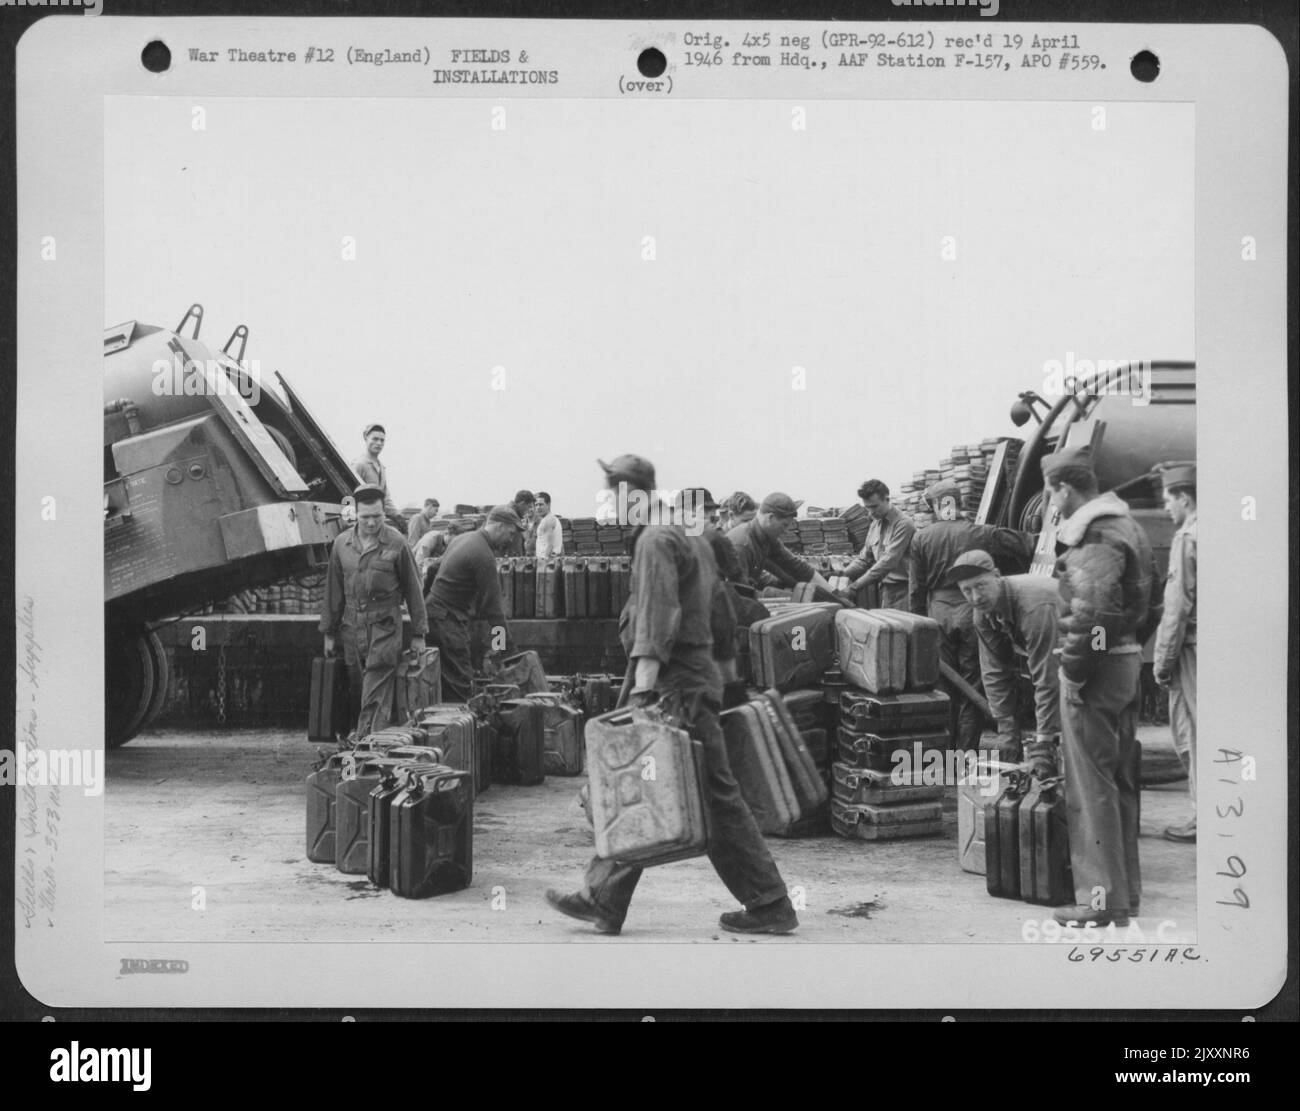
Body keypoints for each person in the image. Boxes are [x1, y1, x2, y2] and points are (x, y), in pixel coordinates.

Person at [547, 455, 797, 936]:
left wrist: (643, 688)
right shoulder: (690, 533)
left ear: (627, 493)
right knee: (700, 794)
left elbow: (657, 615)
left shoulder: (655, 539)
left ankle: (769, 904)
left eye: (611, 494)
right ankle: (765, 903)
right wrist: (722, 676)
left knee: (651, 787)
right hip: (699, 681)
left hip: (674, 686)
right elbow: (722, 606)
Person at [1042, 445, 1161, 928]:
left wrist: (1074, 672)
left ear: (1065, 488)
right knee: (1119, 780)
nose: (1053, 503)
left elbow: (1094, 616)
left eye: (1052, 493)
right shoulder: (1130, 527)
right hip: (1128, 662)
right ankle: (1124, 892)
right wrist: (1129, 649)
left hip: (1099, 669)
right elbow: (1149, 607)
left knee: (1090, 785)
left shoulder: (1093, 533)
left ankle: (1101, 899)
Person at [909, 479, 1034, 749]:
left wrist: (920, 625)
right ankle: (966, 754)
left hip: (937, 614)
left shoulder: (921, 537)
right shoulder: (979, 532)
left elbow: (916, 590)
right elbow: (1025, 544)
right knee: (973, 685)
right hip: (972, 610)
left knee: (943, 686)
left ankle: (943, 752)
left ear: (934, 506)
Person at [319, 484, 428, 739]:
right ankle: (374, 740)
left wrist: (419, 634)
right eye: (365, 517)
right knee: (360, 688)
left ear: (384, 514)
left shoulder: (397, 543)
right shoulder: (341, 544)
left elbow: (414, 589)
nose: (371, 523)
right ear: (355, 514)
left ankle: (365, 746)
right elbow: (333, 592)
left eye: (377, 517)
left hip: (385, 628)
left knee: (375, 689)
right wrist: (329, 632)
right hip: (352, 629)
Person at [948, 549, 1061, 769]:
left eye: (981, 586)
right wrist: (1006, 730)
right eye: (967, 590)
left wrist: (1044, 740)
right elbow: (995, 671)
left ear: (997, 576)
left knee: (1086, 731)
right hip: (1067, 653)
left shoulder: (1033, 605)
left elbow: (1047, 675)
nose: (975, 597)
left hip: (1101, 642)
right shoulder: (982, 611)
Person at [424, 504, 521, 704]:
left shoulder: (463, 539)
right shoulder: (483, 555)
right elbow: (493, 610)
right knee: (460, 686)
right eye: (510, 533)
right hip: (447, 622)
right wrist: (504, 649)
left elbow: (433, 568)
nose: (511, 539)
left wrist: (423, 606)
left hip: (434, 615)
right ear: (499, 526)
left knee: (443, 681)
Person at [1151, 462, 1198, 843]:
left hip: (1193, 651)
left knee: (1193, 734)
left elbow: (1177, 607)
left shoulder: (1187, 538)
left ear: (1184, 497)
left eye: (1169, 500)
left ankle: (1205, 818)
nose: (1167, 508)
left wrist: (1163, 663)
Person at [726, 493, 833, 593]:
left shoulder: (766, 537)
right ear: (770, 518)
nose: (786, 531)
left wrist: (834, 593)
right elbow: (737, 594)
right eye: (784, 525)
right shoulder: (742, 545)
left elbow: (796, 566)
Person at [842, 479, 915, 610]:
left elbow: (887, 562)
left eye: (874, 506)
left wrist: (854, 586)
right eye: (867, 507)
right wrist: (842, 574)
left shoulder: (904, 524)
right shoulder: (875, 524)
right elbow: (864, 559)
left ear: (887, 499)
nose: (870, 512)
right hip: (886, 590)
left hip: (904, 591)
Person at [351, 423, 405, 533]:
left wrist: (398, 516)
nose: (379, 443)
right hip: (362, 524)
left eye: (382, 440)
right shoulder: (359, 465)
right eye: (375, 439)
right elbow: (349, 496)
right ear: (366, 437)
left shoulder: (381, 467)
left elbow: (385, 498)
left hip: (376, 523)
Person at [505, 489, 536, 556]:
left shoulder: (509, 512)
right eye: (529, 507)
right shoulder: (512, 516)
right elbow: (515, 545)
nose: (528, 510)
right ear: (522, 504)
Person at [534, 491, 564, 559]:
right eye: (536, 505)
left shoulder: (548, 520)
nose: (538, 507)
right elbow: (561, 545)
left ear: (548, 504)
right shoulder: (554, 519)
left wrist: (545, 562)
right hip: (552, 560)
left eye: (541, 504)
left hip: (546, 562)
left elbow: (549, 545)